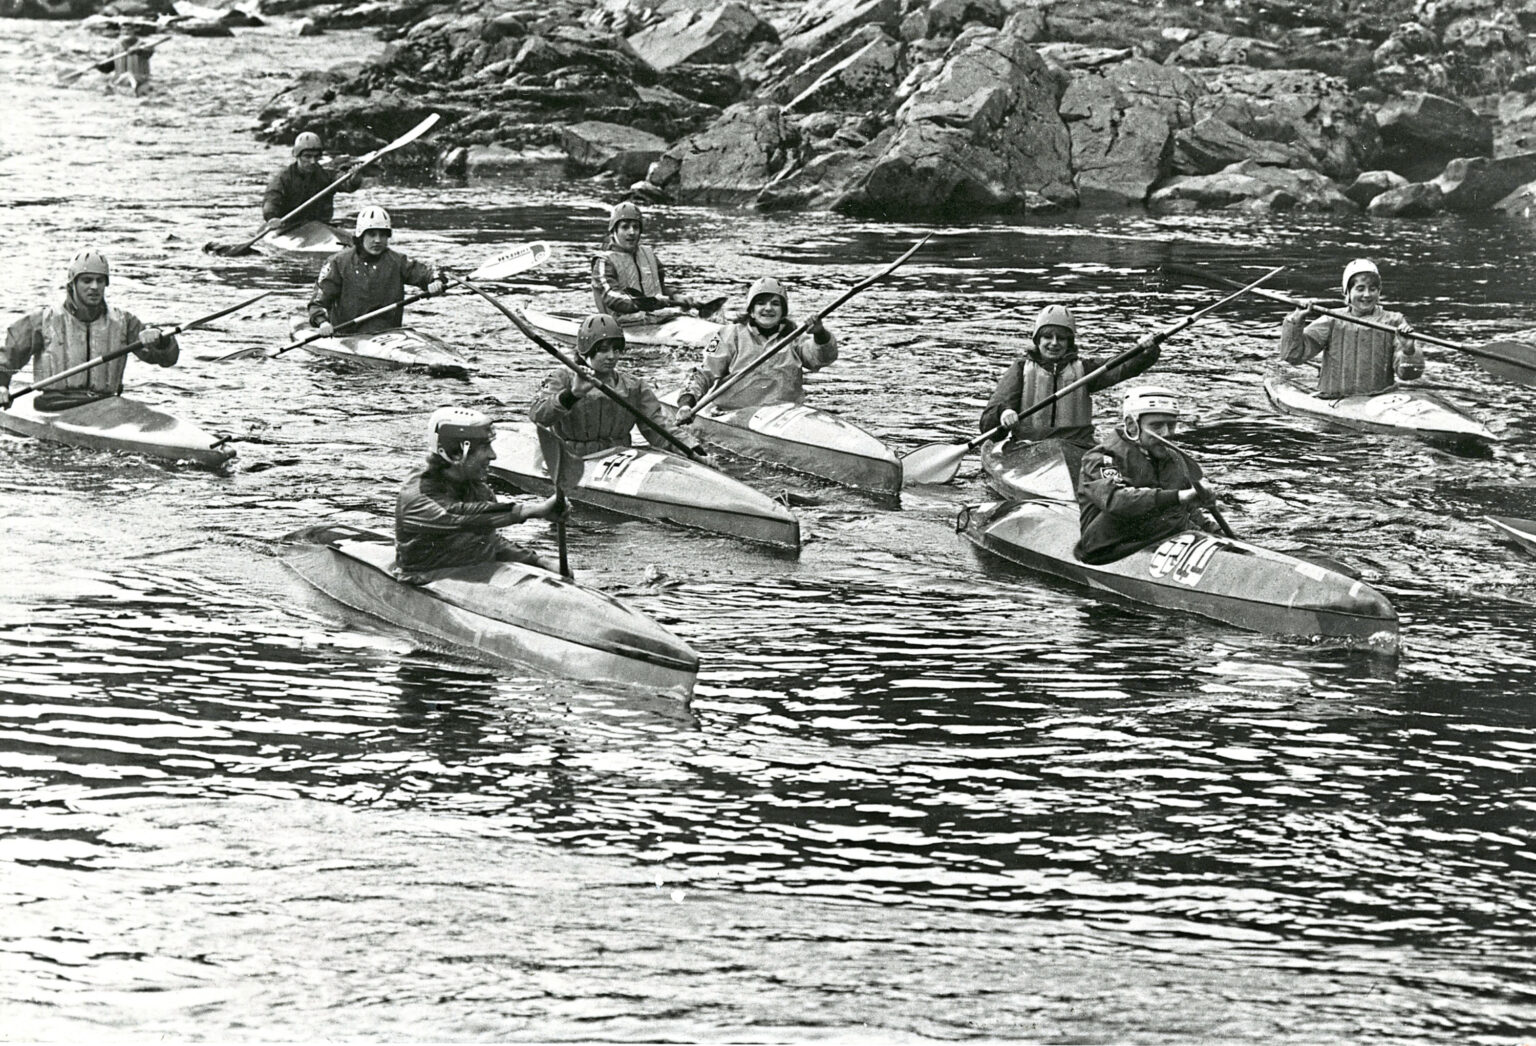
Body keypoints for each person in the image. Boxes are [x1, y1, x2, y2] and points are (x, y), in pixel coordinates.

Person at [2, 248, 178, 412]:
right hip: (56, 407)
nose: (94, 287)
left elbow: (167, 360)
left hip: (107, 406)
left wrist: (161, 341)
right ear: (73, 283)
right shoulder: (43, 320)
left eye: (100, 280)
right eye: (87, 280)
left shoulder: (124, 321)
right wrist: (1, 385)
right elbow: (8, 357)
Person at [395, 406, 565, 576]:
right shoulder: (416, 495)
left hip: (471, 574)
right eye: (485, 447)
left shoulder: (479, 489)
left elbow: (487, 541)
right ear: (455, 454)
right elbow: (455, 515)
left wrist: (539, 561)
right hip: (424, 578)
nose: (493, 455)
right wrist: (534, 511)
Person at [980, 304, 1160, 449]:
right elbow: (989, 421)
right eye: (1047, 337)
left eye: (1061, 338)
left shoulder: (1085, 369)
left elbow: (1124, 367)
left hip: (1078, 446)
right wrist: (1005, 413)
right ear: (1037, 340)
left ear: (1069, 342)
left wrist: (1147, 351)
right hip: (1029, 446)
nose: (1054, 343)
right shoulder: (1021, 369)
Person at [1074, 386, 1219, 565]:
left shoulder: (1173, 457)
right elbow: (1115, 500)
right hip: (1110, 548)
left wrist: (1221, 537)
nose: (1166, 433)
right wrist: (1179, 496)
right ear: (1131, 425)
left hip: (1161, 537)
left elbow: (1186, 511)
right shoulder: (1102, 458)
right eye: (1156, 426)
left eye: (1171, 425)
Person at [529, 314, 706, 458]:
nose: (611, 356)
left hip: (617, 456)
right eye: (603, 350)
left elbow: (659, 428)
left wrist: (694, 449)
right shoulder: (562, 378)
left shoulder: (634, 387)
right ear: (586, 352)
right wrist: (573, 394)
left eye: (616, 350)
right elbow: (539, 416)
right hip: (571, 456)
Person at [674, 277, 834, 421]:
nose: (768, 308)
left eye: (775, 303)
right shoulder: (730, 335)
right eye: (761, 303)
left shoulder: (795, 337)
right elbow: (704, 374)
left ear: (783, 311)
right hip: (735, 415)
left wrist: (820, 333)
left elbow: (822, 359)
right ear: (751, 310)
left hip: (784, 417)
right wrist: (686, 403)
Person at [1278, 258, 1423, 398]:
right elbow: (1293, 356)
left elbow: (1409, 375)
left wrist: (1408, 350)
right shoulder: (1332, 320)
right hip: (1335, 399)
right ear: (1347, 292)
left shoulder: (1395, 321)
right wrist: (1296, 321)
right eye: (1360, 289)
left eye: (1373, 289)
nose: (1367, 295)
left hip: (1380, 397)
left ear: (1379, 292)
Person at [308, 206, 445, 337]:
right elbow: (318, 303)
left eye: (383, 235)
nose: (378, 240)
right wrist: (322, 322)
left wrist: (436, 281)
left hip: (389, 334)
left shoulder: (397, 261)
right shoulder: (338, 262)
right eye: (372, 235)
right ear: (361, 236)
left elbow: (428, 273)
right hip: (348, 335)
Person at [591, 201, 696, 317]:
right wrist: (648, 303)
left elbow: (660, 287)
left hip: (655, 320)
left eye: (636, 227)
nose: (632, 232)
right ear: (614, 230)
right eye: (625, 227)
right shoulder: (604, 262)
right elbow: (610, 296)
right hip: (621, 326)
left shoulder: (648, 254)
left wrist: (676, 296)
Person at [262, 131, 365, 232]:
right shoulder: (282, 179)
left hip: (320, 227)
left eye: (316, 156)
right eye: (307, 156)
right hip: (289, 227)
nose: (312, 161)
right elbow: (271, 200)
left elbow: (345, 183)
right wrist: (272, 217)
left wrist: (354, 179)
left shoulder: (325, 173)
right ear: (297, 156)